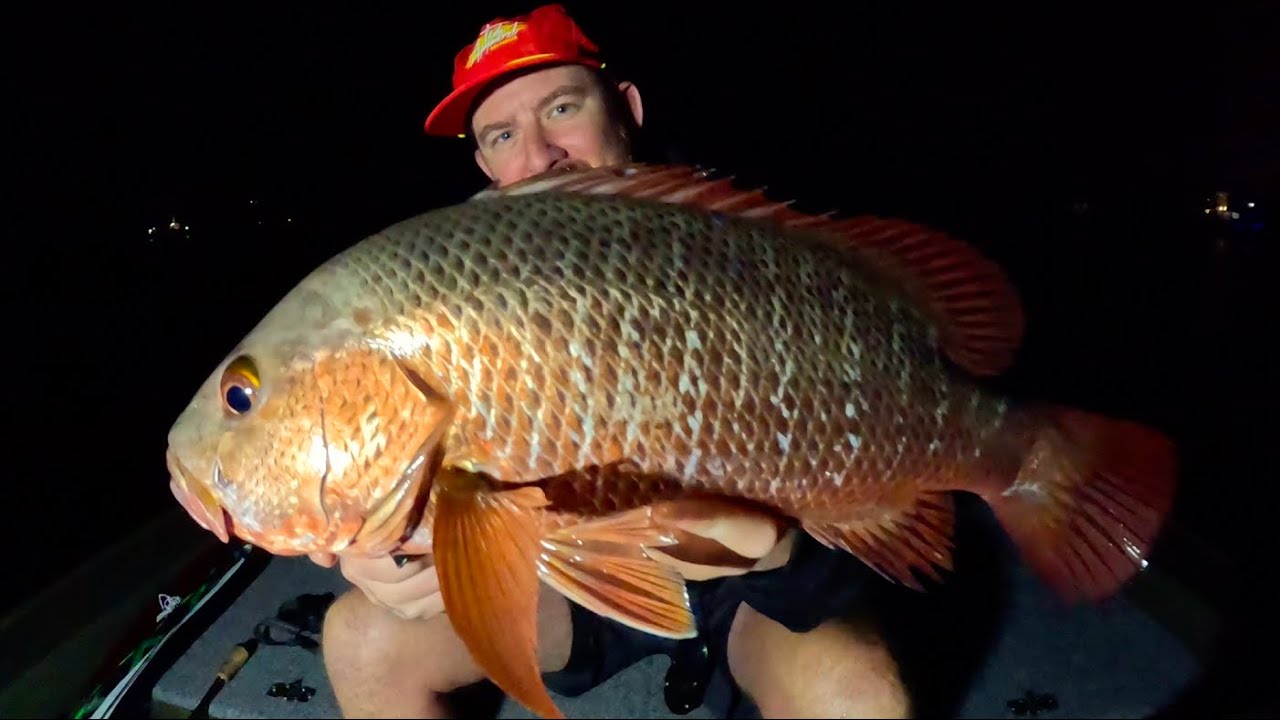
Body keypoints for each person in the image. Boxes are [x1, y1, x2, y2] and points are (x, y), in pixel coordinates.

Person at [316, 5, 912, 718]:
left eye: (561, 108)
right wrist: (396, 546)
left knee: (858, 695)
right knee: (359, 638)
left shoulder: (734, 237)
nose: (538, 155)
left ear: (624, 108)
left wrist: (783, 557)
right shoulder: (447, 300)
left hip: (746, 591)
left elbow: (842, 525)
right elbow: (446, 484)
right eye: (503, 135)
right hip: (576, 589)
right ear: (483, 164)